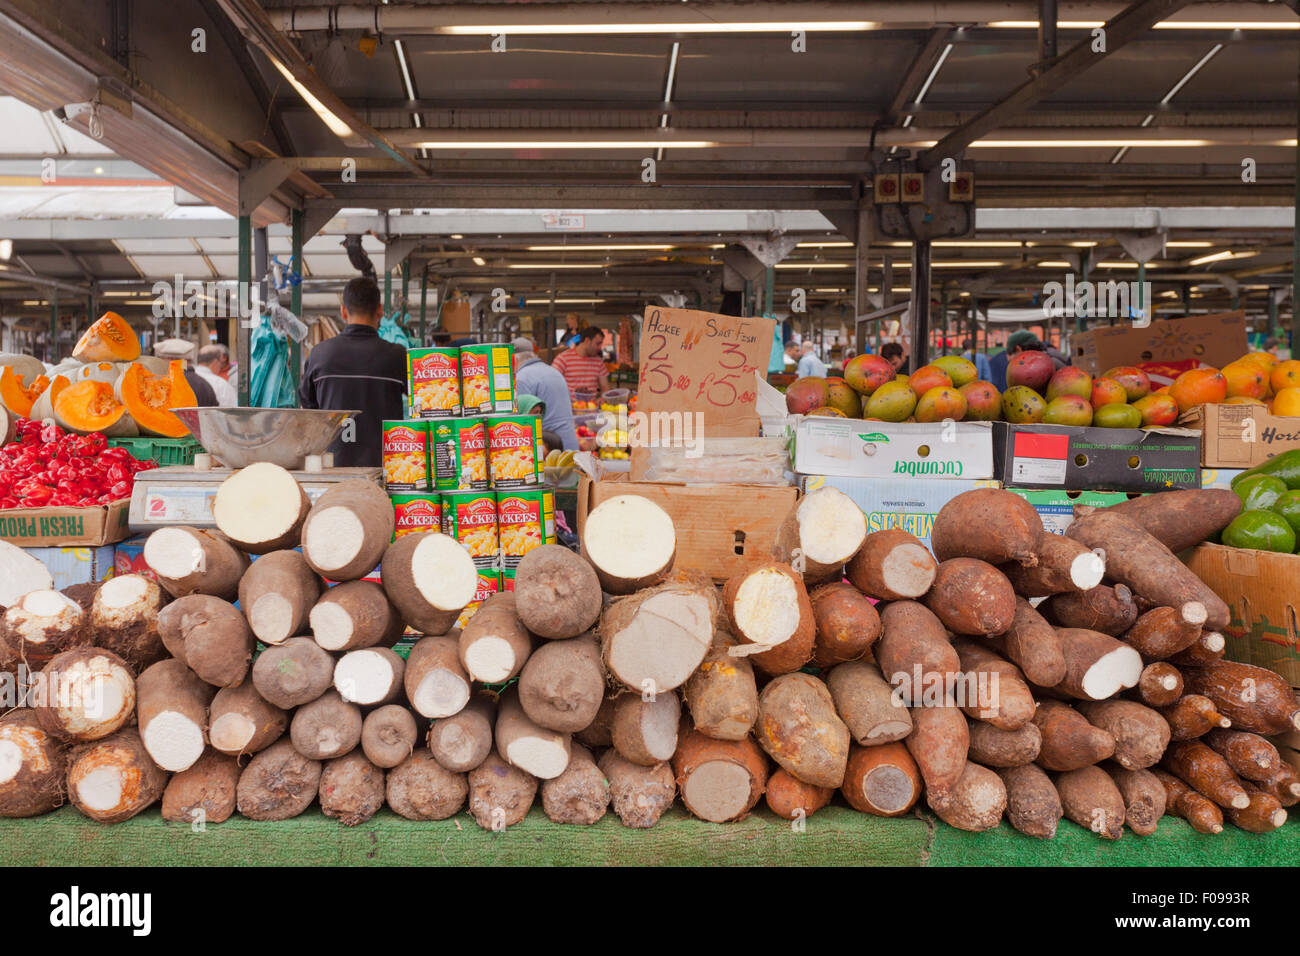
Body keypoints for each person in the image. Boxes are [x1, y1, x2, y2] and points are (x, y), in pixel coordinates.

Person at [299, 276, 407, 468]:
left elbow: (308, 413)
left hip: (333, 469)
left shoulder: (319, 354)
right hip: (388, 469)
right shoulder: (396, 356)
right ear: (380, 310)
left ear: (343, 311)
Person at [512, 337, 579, 451]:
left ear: (515, 360)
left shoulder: (522, 377)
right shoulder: (553, 372)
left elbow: (523, 421)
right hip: (570, 445)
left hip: (550, 449)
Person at [154, 338, 217, 407]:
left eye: (160, 359)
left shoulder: (159, 385)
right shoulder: (204, 385)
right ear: (189, 360)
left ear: (171, 360)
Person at [551, 326, 610, 397]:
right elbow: (551, 385)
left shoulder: (598, 362)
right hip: (568, 407)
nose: (600, 347)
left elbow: (605, 387)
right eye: (598, 343)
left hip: (592, 407)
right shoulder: (563, 359)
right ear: (587, 341)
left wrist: (603, 398)